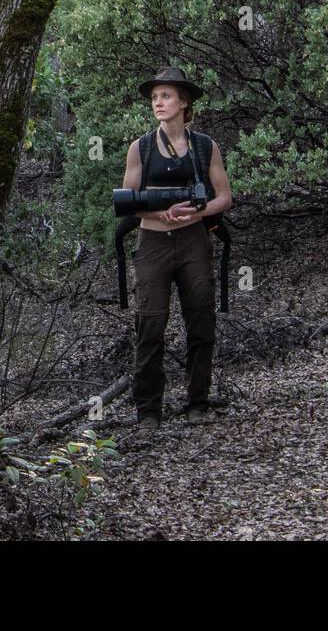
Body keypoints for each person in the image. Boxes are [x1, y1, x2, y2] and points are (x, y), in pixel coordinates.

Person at [122, 67, 232, 430]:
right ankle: (148, 412)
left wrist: (195, 211)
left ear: (184, 102)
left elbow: (225, 197)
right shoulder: (139, 148)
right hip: (152, 241)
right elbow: (128, 201)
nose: (158, 103)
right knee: (150, 324)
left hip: (193, 241)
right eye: (155, 97)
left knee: (201, 320)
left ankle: (197, 402)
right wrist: (159, 212)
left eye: (166, 96)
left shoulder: (205, 146)